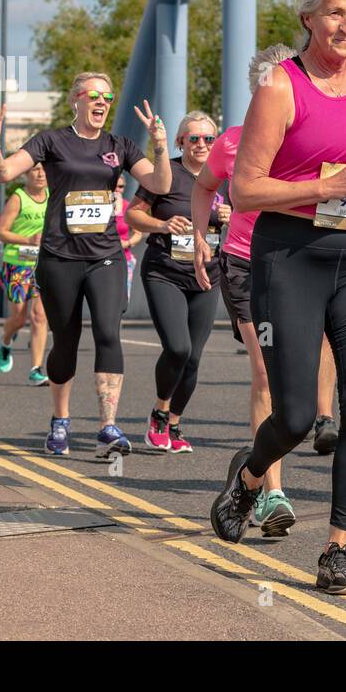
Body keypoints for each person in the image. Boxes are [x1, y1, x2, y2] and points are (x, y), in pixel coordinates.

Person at [206, 0, 346, 595]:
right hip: (289, 258)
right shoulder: (279, 88)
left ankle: (336, 549)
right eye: (336, 14)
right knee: (292, 414)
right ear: (309, 19)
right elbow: (244, 189)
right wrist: (322, 186)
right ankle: (249, 478)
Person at [192, 44, 342, 538]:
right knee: (265, 371)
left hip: (304, 257)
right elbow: (204, 187)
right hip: (244, 259)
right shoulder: (233, 141)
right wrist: (199, 238)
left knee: (319, 345)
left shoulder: (315, 136)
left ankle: (322, 417)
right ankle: (271, 490)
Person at [0, 72, 172, 458]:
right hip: (60, 257)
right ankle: (61, 420)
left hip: (105, 255)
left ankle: (107, 426)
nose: (102, 102)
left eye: (109, 96)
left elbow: (161, 184)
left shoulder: (120, 145)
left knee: (107, 332)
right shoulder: (51, 141)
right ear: (76, 100)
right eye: (95, 95)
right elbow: (3, 173)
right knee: (65, 341)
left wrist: (161, 146)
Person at [127, 111, 225, 457]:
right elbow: (132, 214)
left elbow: (249, 213)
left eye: (208, 139)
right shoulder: (167, 173)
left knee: (195, 358)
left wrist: (232, 214)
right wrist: (163, 225)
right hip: (164, 271)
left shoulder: (223, 177)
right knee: (178, 348)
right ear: (181, 141)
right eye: (194, 138)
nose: (201, 145)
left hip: (206, 275)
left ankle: (175, 422)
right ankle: (159, 412)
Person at [0, 163, 50, 385]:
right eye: (35, 169)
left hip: (42, 263)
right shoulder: (18, 198)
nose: (40, 174)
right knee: (19, 318)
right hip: (17, 263)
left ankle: (36, 368)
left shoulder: (52, 196)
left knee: (39, 316)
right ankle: (6, 341)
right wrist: (27, 240)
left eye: (44, 169)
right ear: (26, 173)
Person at [115, 175, 144, 302]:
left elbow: (138, 233)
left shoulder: (128, 207)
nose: (117, 190)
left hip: (124, 259)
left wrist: (126, 243)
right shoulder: (99, 208)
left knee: (122, 300)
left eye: (120, 187)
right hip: (101, 259)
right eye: (113, 186)